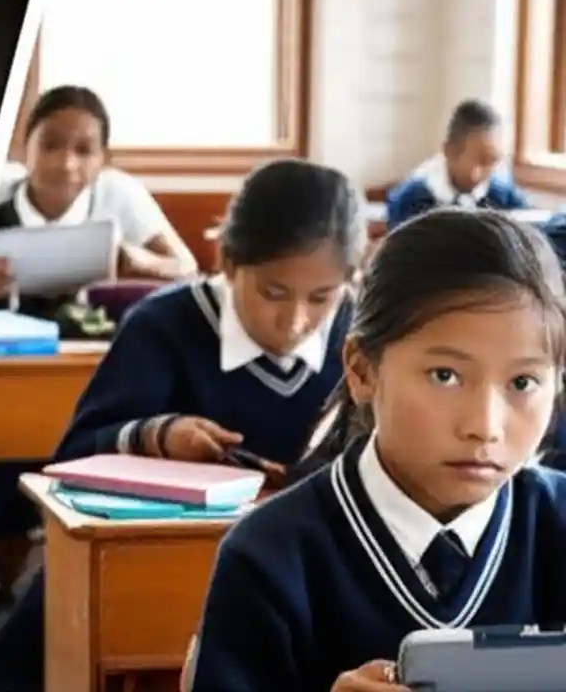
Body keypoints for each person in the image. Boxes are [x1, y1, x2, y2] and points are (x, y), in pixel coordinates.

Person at [0, 158, 365, 691]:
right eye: (273, 292)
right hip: (160, 564)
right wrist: (158, 437)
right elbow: (74, 454)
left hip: (307, 567)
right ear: (228, 261)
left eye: (322, 297)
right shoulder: (164, 324)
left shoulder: (359, 339)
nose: (296, 320)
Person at [188, 210, 566, 690]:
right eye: (445, 376)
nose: (484, 427)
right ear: (362, 370)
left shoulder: (557, 523)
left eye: (523, 382)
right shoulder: (270, 555)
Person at [0, 85, 197, 317]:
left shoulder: (117, 194)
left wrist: (136, 260)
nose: (66, 164)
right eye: (50, 145)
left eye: (83, 150)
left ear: (103, 159)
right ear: (23, 146)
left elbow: (187, 269)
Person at [386, 99, 531, 230]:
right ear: (449, 151)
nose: (483, 174)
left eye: (492, 161)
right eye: (479, 161)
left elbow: (531, 231)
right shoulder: (409, 200)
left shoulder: (502, 195)